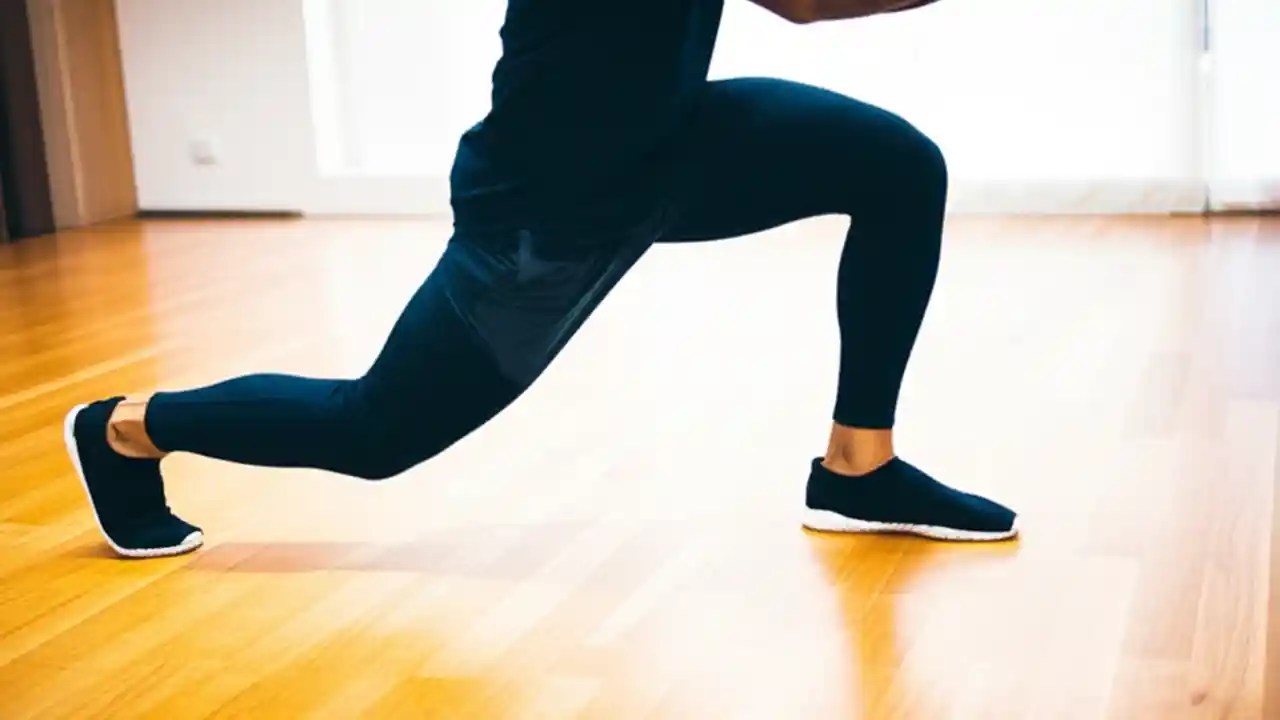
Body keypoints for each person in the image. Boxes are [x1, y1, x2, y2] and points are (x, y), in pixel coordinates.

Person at [64, 0, 1017, 559]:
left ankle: (859, 470)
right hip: (547, 210)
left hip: (670, 144)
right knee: (375, 433)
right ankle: (127, 429)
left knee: (898, 168)